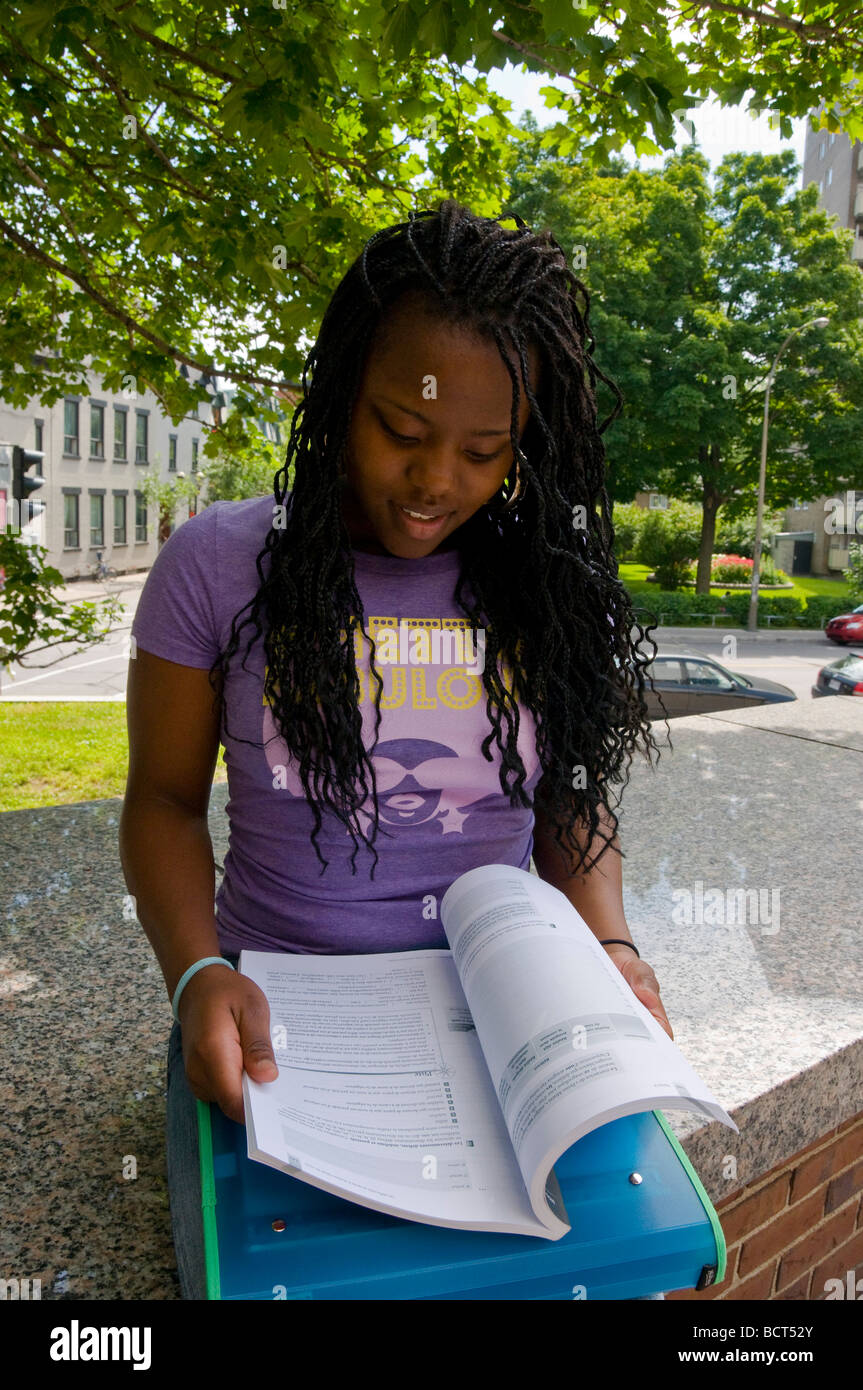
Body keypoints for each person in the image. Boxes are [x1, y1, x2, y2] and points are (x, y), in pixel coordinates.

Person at [119, 199, 671, 1301]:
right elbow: (165, 805)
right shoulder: (219, 564)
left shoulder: (541, 579)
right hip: (284, 1021)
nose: (434, 485)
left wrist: (607, 944)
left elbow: (568, 791)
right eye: (399, 431)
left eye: (482, 452)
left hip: (499, 1019)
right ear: (336, 399)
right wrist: (197, 973)